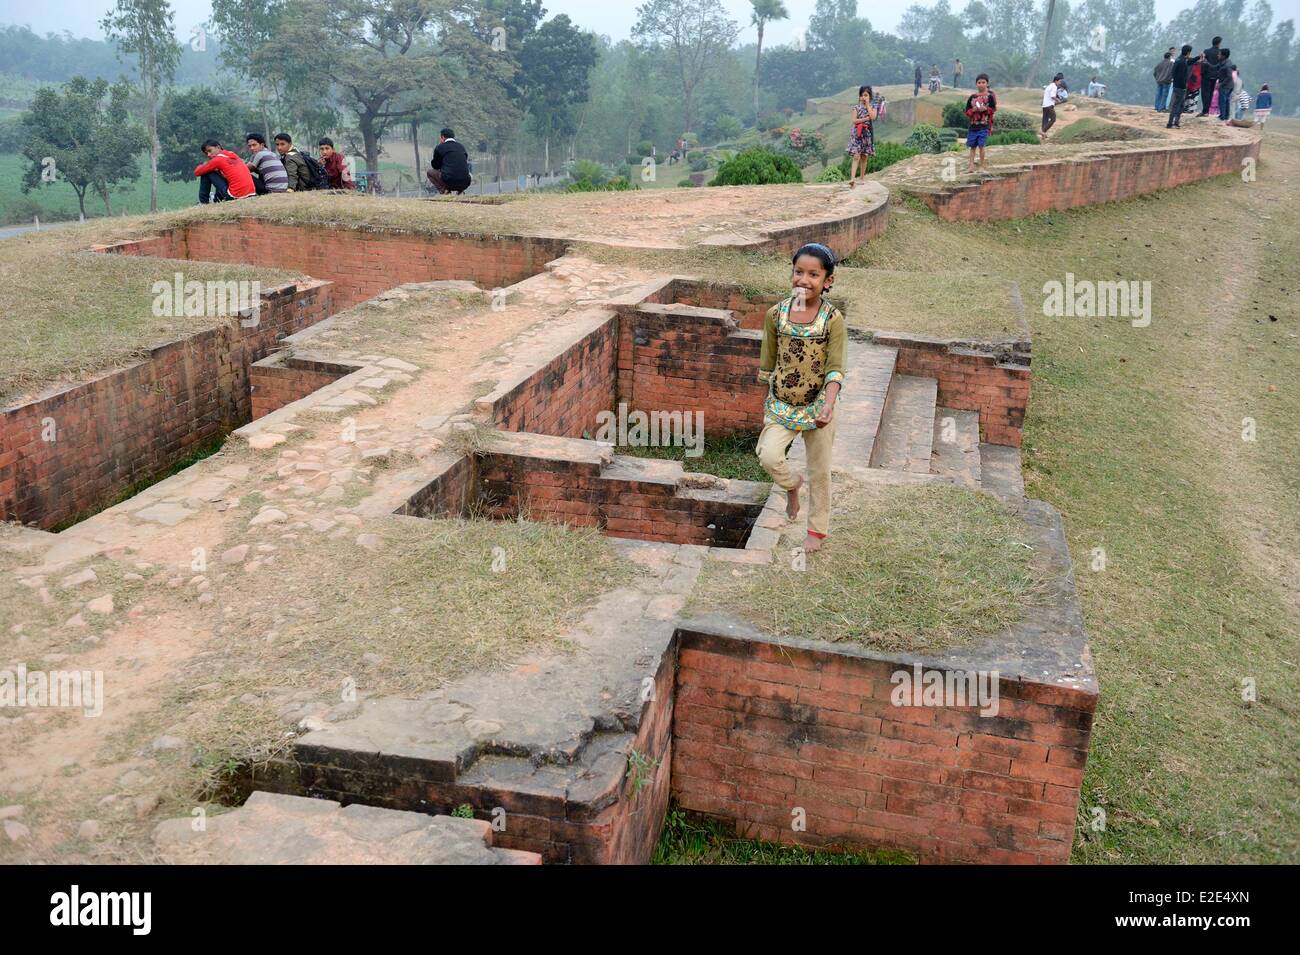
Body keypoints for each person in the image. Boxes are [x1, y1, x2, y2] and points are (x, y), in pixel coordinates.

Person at [756, 242, 847, 555]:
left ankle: (816, 531)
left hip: (819, 406)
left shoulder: (832, 320)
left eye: (813, 274)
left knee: (819, 471)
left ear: (827, 281)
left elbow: (836, 368)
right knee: (768, 455)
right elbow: (767, 364)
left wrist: (828, 404)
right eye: (798, 272)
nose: (803, 280)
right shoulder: (775, 315)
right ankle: (792, 485)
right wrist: (766, 402)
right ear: (791, 273)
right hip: (781, 404)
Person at [193, 139, 255, 204]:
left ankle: (203, 202)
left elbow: (197, 172)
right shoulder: (232, 154)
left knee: (207, 173)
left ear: (218, 147)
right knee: (220, 174)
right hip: (251, 193)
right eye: (206, 153)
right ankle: (217, 200)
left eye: (209, 151)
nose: (208, 155)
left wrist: (204, 165)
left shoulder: (218, 159)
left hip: (235, 196)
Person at [964, 73, 997, 173]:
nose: (981, 84)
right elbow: (967, 112)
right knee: (972, 146)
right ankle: (971, 166)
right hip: (973, 126)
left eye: (983, 82)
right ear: (976, 84)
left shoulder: (990, 97)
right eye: (979, 82)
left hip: (984, 126)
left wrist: (985, 109)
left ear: (987, 83)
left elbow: (993, 109)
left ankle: (982, 166)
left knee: (981, 146)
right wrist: (973, 110)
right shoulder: (972, 97)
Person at [845, 85, 877, 188]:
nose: (864, 97)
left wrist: (868, 105)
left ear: (870, 96)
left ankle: (862, 178)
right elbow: (854, 120)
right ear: (859, 97)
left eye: (866, 95)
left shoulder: (873, 106)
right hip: (857, 134)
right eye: (862, 95)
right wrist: (865, 119)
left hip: (866, 134)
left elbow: (873, 117)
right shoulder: (856, 108)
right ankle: (852, 179)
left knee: (864, 156)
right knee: (856, 156)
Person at [427, 127, 472, 195]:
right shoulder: (461, 147)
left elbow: (435, 166)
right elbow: (463, 161)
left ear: (443, 137)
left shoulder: (440, 147)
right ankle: (460, 192)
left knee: (430, 172)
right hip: (466, 182)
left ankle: (445, 192)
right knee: (461, 172)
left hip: (449, 181)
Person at [1168, 45, 1194, 128]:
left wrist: (1197, 58)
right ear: (1188, 52)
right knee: (1177, 105)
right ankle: (1171, 123)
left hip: (1176, 85)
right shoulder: (1182, 62)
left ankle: (1175, 122)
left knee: (1180, 105)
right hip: (1180, 86)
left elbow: (1173, 72)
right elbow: (1182, 76)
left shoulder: (1179, 59)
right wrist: (1183, 85)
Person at [1199, 36, 1222, 116]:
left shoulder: (1207, 51)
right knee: (1211, 93)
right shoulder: (1220, 53)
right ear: (1219, 43)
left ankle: (1205, 111)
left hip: (1206, 75)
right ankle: (1207, 111)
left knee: (1205, 93)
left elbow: (1203, 62)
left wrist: (1202, 73)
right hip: (1215, 76)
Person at [1041, 73, 1064, 139]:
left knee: (1045, 120)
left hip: (1044, 105)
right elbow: (1053, 96)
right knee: (1053, 119)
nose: (1060, 83)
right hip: (1049, 105)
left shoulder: (1049, 86)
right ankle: (1042, 131)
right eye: (1059, 81)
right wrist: (1058, 100)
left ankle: (1043, 135)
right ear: (1056, 81)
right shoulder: (1054, 86)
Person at [1217, 49, 1235, 121]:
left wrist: (1221, 84)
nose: (1218, 55)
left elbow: (1229, 76)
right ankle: (1225, 116)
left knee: (1222, 101)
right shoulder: (1225, 62)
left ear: (1223, 56)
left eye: (1219, 54)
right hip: (1229, 85)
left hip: (1226, 86)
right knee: (1226, 101)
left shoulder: (1227, 65)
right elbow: (1214, 66)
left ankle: (1222, 117)